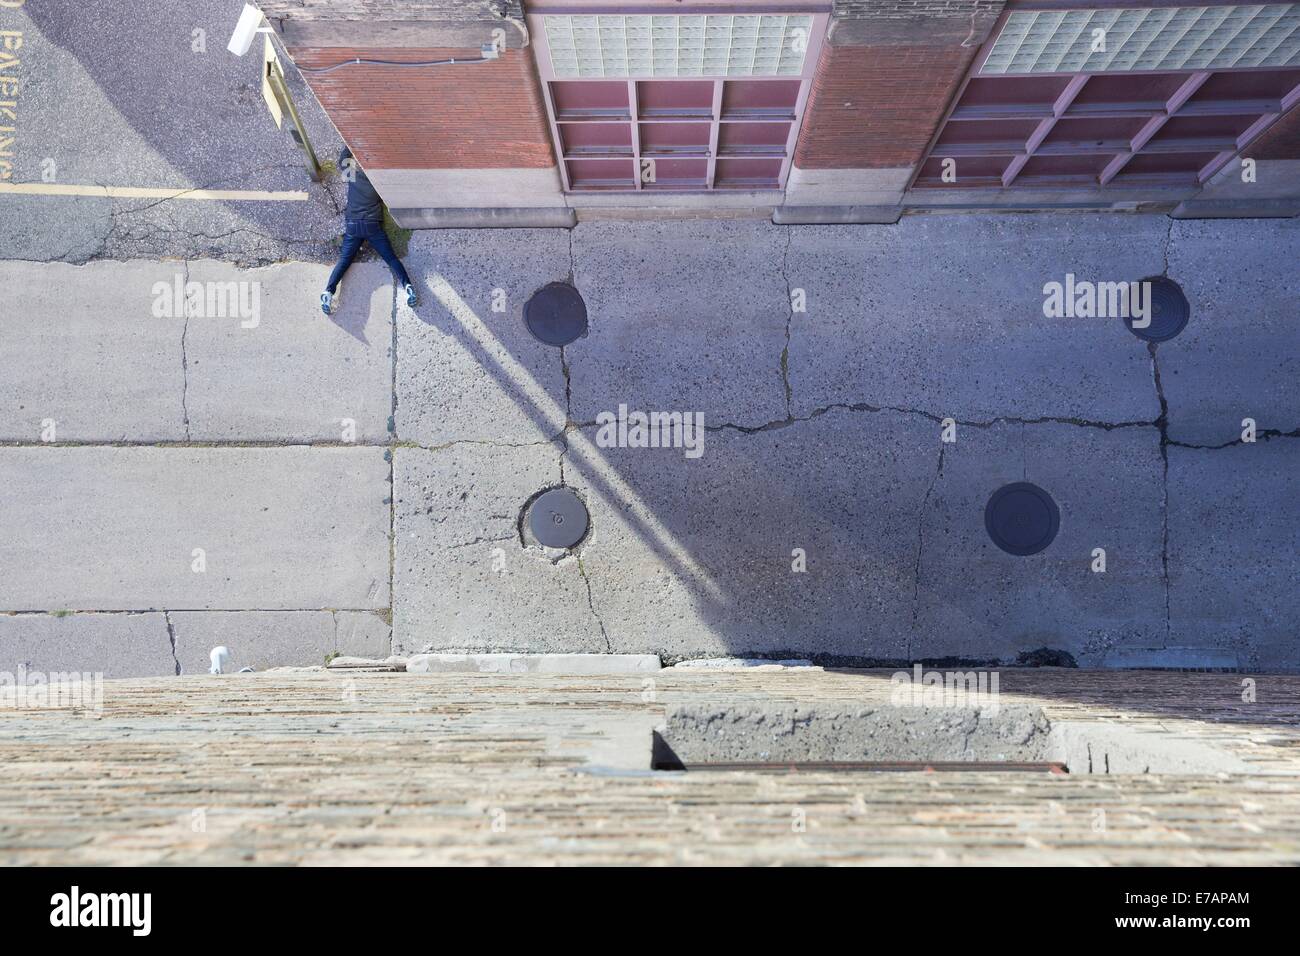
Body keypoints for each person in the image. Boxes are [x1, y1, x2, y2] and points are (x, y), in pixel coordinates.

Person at [321, 147, 417, 314]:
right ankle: (407, 285)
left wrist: (349, 143)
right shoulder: (378, 184)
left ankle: (328, 291)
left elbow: (343, 159)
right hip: (373, 226)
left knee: (344, 261)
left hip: (353, 225)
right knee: (391, 258)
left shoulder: (353, 176)